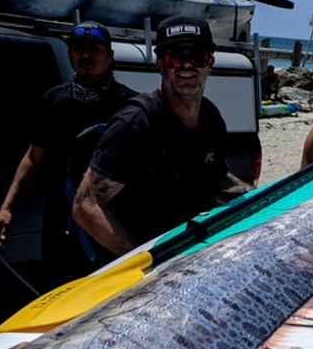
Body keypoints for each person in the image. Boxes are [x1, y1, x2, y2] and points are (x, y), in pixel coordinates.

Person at [73, 15, 254, 255]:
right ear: (160, 64)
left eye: (197, 57)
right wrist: (142, 259)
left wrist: (263, 200)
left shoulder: (210, 118)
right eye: (175, 57)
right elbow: (85, 206)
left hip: (191, 250)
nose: (186, 66)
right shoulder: (136, 123)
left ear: (209, 64)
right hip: (146, 260)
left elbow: (219, 180)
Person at [0, 22, 137, 286]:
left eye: (95, 49)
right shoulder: (54, 101)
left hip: (111, 220)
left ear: (110, 56)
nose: (86, 55)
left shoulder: (130, 106)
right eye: (79, 49)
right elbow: (33, 158)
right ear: (70, 55)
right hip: (60, 223)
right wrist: (7, 207)